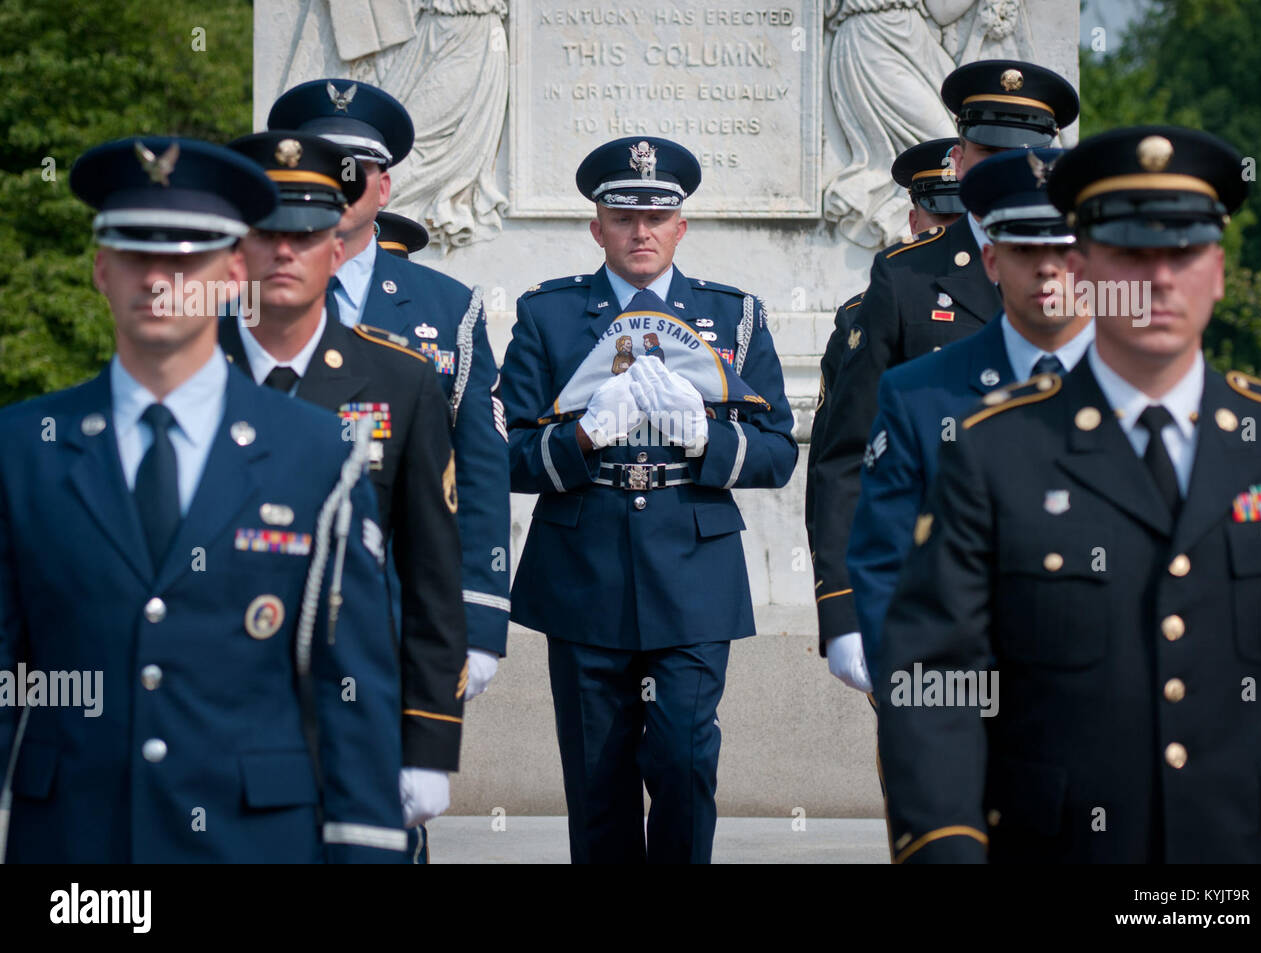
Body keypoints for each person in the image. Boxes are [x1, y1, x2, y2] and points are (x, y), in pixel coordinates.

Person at [876, 125, 1261, 863]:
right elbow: (931, 683)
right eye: (1132, 249)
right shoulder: (992, 449)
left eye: (1185, 250)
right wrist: (947, 848)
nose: (1160, 278)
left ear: (1220, 270)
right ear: (1084, 266)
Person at [0, 137, 405, 862]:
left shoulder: (316, 456)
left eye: (186, 257)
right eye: (134, 252)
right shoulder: (23, 449)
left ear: (231, 272)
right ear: (100, 268)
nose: (159, 278)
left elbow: (354, 694)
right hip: (75, 858)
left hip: (252, 842)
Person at [498, 137, 797, 863]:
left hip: (692, 567)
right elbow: (505, 454)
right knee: (598, 781)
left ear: (681, 228)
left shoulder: (738, 318)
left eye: (657, 217)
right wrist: (583, 439)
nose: (641, 231)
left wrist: (708, 440)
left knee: (685, 756)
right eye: (623, 215)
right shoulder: (549, 316)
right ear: (596, 226)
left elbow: (780, 449)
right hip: (584, 568)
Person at [221, 131, 467, 833]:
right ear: (239, 250)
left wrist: (427, 740)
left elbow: (431, 575)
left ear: (339, 246)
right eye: (267, 233)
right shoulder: (189, 367)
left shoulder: (403, 380)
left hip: (353, 705)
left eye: (307, 232)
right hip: (208, 704)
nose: (286, 252)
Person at [809, 60, 1078, 694]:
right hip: (928, 592)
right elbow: (847, 454)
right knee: (932, 788)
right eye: (987, 151)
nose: (1003, 168)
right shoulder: (904, 279)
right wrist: (844, 607)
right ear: (959, 160)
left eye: (1029, 153)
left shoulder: (1096, 272)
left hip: (1066, 589)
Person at [269, 79, 510, 699]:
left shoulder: (447, 307)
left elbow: (479, 468)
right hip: (261, 591)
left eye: (356, 171)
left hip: (400, 603)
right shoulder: (244, 298)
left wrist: (480, 617)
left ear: (384, 187)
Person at [806, 137, 964, 565]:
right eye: (943, 216)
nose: (954, 233)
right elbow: (834, 463)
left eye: (966, 218)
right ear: (913, 221)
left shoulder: (1031, 310)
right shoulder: (861, 315)